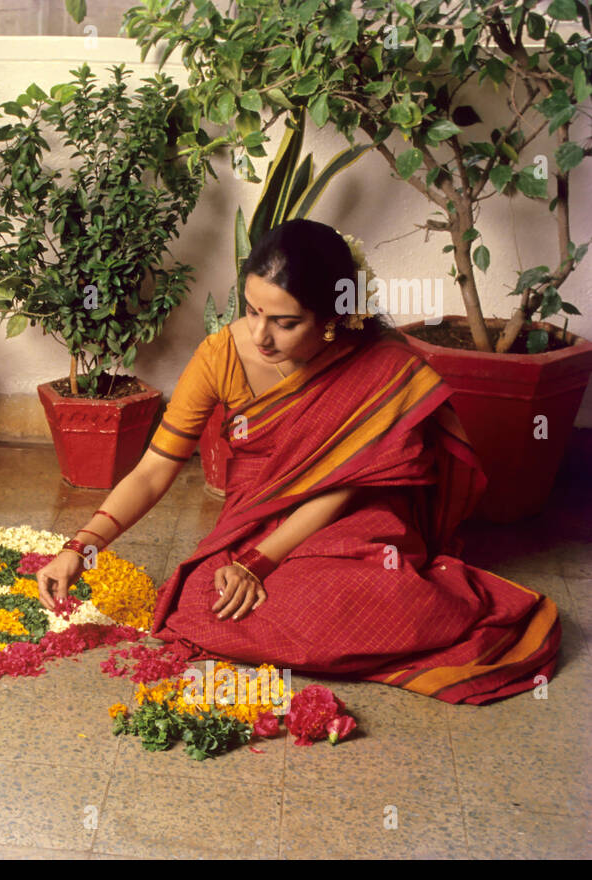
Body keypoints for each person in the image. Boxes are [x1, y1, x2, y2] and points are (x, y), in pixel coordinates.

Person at [36, 219, 561, 704]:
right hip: (260, 511)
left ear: (333, 318)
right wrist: (81, 547)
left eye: (286, 322)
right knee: (202, 604)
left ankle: (425, 608)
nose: (260, 336)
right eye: (252, 310)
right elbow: (154, 469)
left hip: (351, 514)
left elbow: (346, 482)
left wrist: (260, 562)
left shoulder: (377, 360)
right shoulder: (220, 355)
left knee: (355, 598)